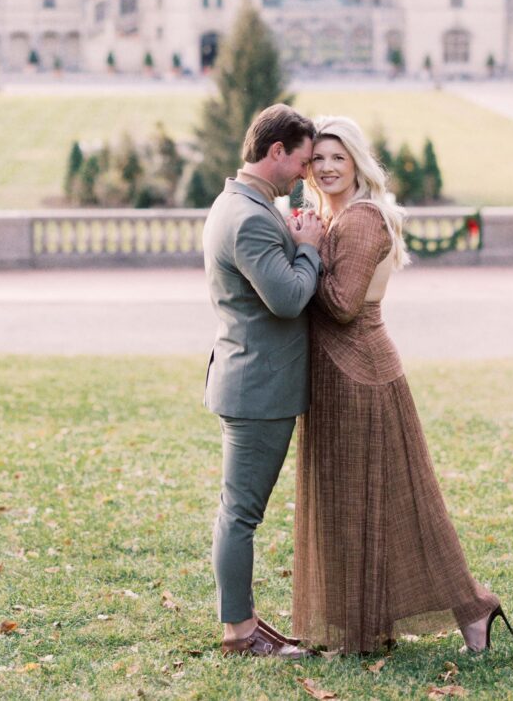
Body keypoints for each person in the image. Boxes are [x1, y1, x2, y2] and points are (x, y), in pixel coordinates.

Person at [291, 116, 511, 655]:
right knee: (360, 506)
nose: (325, 167)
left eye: (337, 157)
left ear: (357, 163)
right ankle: (371, 624)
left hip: (359, 373)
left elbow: (342, 306)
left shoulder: (362, 219)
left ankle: (473, 607)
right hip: (344, 372)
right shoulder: (337, 217)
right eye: (317, 158)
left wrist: (306, 252)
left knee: (381, 505)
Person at [201, 104, 325, 658]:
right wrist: (310, 250)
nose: (304, 175)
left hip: (251, 379)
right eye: (301, 162)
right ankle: (238, 632)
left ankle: (245, 619)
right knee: (241, 513)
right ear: (276, 152)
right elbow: (289, 297)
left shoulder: (242, 203)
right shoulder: (249, 217)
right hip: (258, 387)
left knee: (238, 510)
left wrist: (295, 229)